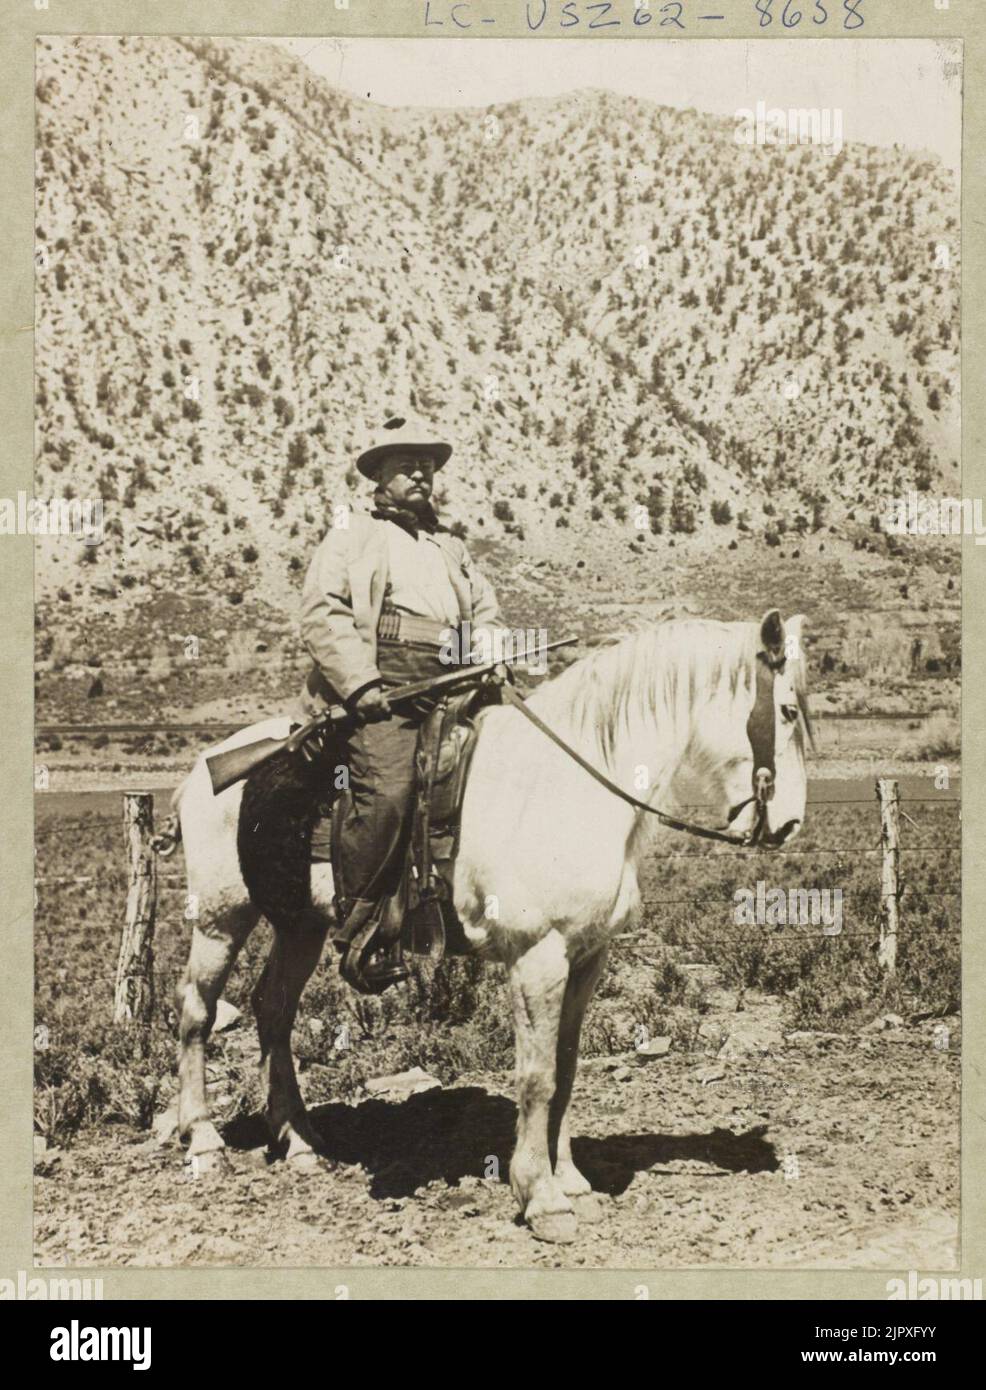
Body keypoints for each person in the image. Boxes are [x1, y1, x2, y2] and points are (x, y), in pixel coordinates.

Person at [297, 415, 503, 991]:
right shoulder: (352, 534)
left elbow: (483, 615)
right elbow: (321, 611)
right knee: (389, 788)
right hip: (384, 686)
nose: (420, 473)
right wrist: (361, 686)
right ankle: (362, 929)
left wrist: (490, 655)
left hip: (456, 683)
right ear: (378, 477)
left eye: (427, 464)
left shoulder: (451, 547)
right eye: (405, 464)